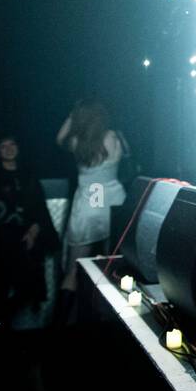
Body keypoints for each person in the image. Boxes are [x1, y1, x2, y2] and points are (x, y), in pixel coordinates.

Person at [0, 136, 58, 331]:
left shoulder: (29, 176)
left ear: (19, 147)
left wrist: (34, 231)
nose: (8, 148)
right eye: (3, 145)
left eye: (12, 144)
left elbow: (39, 210)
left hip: (23, 244)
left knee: (27, 289)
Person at [55, 100, 127, 301]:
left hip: (89, 204)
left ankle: (59, 327)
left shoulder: (77, 141)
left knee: (72, 273)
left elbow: (59, 138)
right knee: (113, 268)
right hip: (113, 204)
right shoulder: (113, 137)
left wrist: (72, 116)